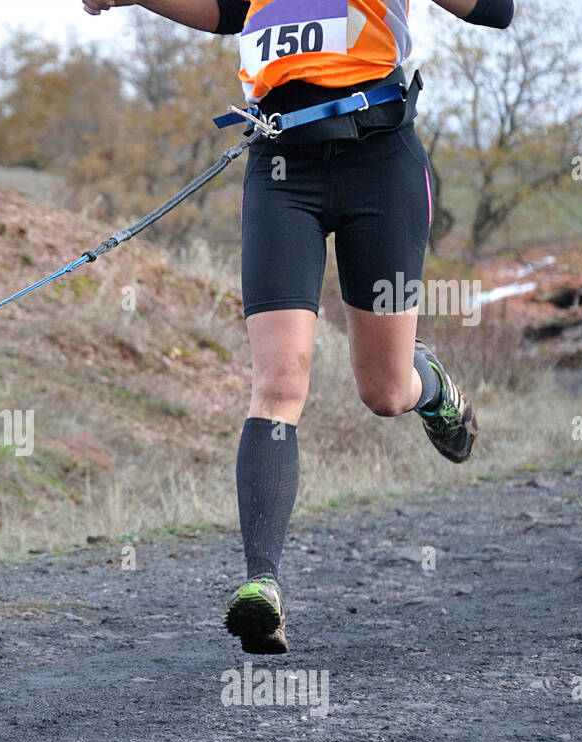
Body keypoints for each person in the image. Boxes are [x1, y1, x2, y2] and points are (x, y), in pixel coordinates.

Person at [82, 0, 514, 653]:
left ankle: (431, 387)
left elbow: (497, 11)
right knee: (279, 382)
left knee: (385, 390)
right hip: (281, 171)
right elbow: (229, 10)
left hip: (380, 158)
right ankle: (263, 586)